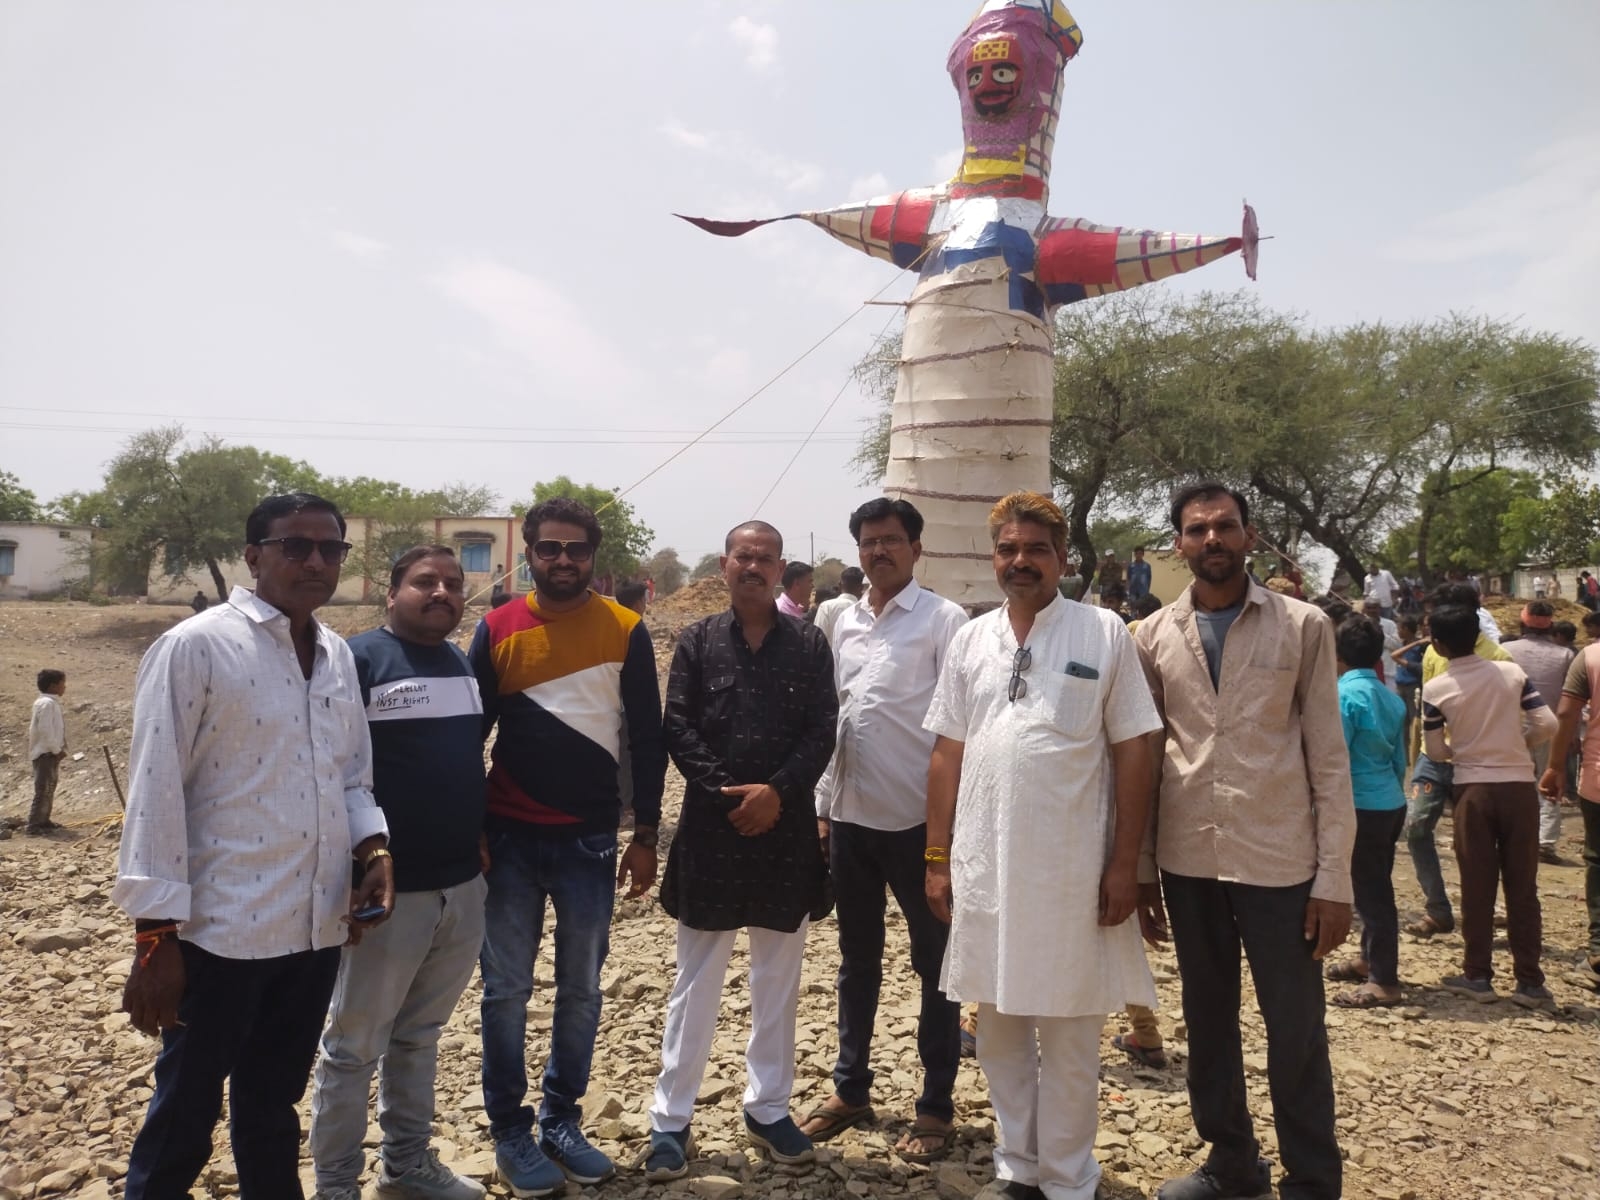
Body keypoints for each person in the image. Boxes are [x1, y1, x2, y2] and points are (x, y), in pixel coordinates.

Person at [114, 493, 393, 1200]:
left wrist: (374, 853)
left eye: (331, 549)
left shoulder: (334, 654)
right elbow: (154, 789)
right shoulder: (196, 646)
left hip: (312, 927)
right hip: (219, 935)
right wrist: (155, 937)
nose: (315, 561)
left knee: (272, 1107)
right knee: (184, 1113)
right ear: (253, 554)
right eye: (296, 546)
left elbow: (352, 774)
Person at [923, 491, 1160, 1200]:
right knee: (997, 1033)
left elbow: (1137, 750)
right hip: (986, 867)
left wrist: (1125, 864)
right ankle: (1016, 1168)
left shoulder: (1103, 632)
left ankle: (1067, 1179)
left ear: (1061, 558)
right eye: (1008, 549)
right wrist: (937, 858)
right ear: (993, 557)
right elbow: (946, 753)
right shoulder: (972, 638)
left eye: (1035, 550)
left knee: (1068, 1037)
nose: (1020, 561)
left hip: (1070, 873)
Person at [1134, 481, 1353, 1200]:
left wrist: (1334, 879)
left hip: (1278, 860)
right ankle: (1232, 1162)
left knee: (1295, 1028)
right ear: (1179, 545)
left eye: (1225, 527)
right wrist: (1139, 870)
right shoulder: (1152, 636)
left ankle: (1313, 1179)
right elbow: (1145, 756)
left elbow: (1327, 754)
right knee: (1206, 1017)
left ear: (1250, 536)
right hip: (1189, 858)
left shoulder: (1302, 625)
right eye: (1197, 531)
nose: (1212, 541)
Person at [470, 497, 667, 1195]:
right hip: (509, 841)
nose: (562, 560)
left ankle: (560, 1119)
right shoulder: (495, 627)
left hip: (589, 845)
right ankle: (510, 1131)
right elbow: (470, 737)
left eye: (575, 549)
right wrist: (472, 832)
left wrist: (645, 835)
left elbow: (647, 738)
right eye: (549, 548)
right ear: (528, 553)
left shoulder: (625, 629)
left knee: (581, 991)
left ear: (594, 555)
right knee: (506, 992)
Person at [642, 520, 837, 1180]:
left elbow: (822, 729)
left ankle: (769, 1107)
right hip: (711, 833)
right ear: (724, 565)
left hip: (784, 834)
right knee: (695, 982)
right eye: (742, 557)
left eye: (765, 558)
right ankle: (670, 1118)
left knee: (778, 980)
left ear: (781, 569)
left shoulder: (809, 644)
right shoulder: (697, 642)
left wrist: (778, 792)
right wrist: (732, 795)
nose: (753, 567)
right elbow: (678, 725)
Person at [309, 547, 488, 1200]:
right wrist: (355, 864)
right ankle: (336, 1187)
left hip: (462, 887)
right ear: (390, 594)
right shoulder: (357, 660)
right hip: (387, 893)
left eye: (452, 583)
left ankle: (406, 1167)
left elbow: (458, 760)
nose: (441, 592)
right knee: (353, 1047)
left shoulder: (461, 662)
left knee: (419, 1036)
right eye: (424, 582)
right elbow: (330, 770)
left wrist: (476, 837)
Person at [801, 499, 967, 1161]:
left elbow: (957, 731)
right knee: (856, 963)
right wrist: (819, 806)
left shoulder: (944, 621)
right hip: (849, 820)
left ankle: (935, 1106)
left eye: (892, 541)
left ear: (916, 548)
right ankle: (851, 1087)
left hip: (919, 826)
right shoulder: (837, 619)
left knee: (936, 968)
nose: (880, 552)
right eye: (869, 542)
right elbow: (828, 719)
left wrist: (945, 840)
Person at [1422, 605, 1556, 1009]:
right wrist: (1517, 746)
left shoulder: (1437, 689)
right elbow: (1546, 724)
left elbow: (1434, 749)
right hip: (1518, 787)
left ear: (1438, 644)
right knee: (1523, 886)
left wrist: (1458, 751)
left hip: (1473, 790)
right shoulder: (1512, 674)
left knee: (1477, 886)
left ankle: (1477, 975)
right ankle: (1531, 983)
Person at [1404, 582, 1512, 940]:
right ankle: (1438, 910)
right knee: (1417, 829)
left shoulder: (1499, 660)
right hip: (1432, 760)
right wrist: (1419, 749)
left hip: (1474, 762)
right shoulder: (1435, 653)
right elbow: (1427, 709)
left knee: (1476, 842)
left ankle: (1479, 913)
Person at [1324, 617, 1409, 1009]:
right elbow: (1398, 758)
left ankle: (1384, 979)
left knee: (1372, 892)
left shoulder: (1342, 697)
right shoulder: (1390, 697)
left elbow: (1333, 758)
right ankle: (1368, 960)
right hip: (1388, 801)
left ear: (1337, 654)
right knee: (1373, 883)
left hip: (1358, 804)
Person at [1538, 612, 1600, 991]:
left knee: (1598, 859)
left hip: (1597, 779)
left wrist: (1554, 767)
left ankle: (1598, 951)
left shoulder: (1589, 657)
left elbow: (1566, 712)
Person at [1502, 601, 1574, 865]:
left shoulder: (1504, 650)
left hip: (1511, 726)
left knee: (1512, 781)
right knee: (1550, 781)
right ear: (1550, 626)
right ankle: (1545, 841)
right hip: (1552, 727)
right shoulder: (1565, 655)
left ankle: (1513, 835)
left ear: (1522, 624)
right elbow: (1571, 699)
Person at [26, 668, 67, 835]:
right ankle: (34, 825)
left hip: (49, 752)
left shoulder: (50, 703)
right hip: (45, 753)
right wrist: (57, 750)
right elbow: (45, 730)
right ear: (53, 686)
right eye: (62, 684)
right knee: (43, 789)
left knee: (50, 787)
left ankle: (44, 820)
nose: (64, 687)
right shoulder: (47, 704)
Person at [1390, 616, 1426, 757]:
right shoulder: (1401, 644)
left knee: (1414, 721)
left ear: (1406, 629)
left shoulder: (1419, 646)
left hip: (1412, 687)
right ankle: (1404, 755)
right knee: (1402, 721)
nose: (1398, 631)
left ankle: (1416, 752)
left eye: (1400, 628)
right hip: (1400, 686)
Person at [814, 565, 865, 647]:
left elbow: (818, 638)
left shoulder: (826, 607)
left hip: (829, 658)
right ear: (861, 587)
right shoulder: (866, 609)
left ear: (840, 585)